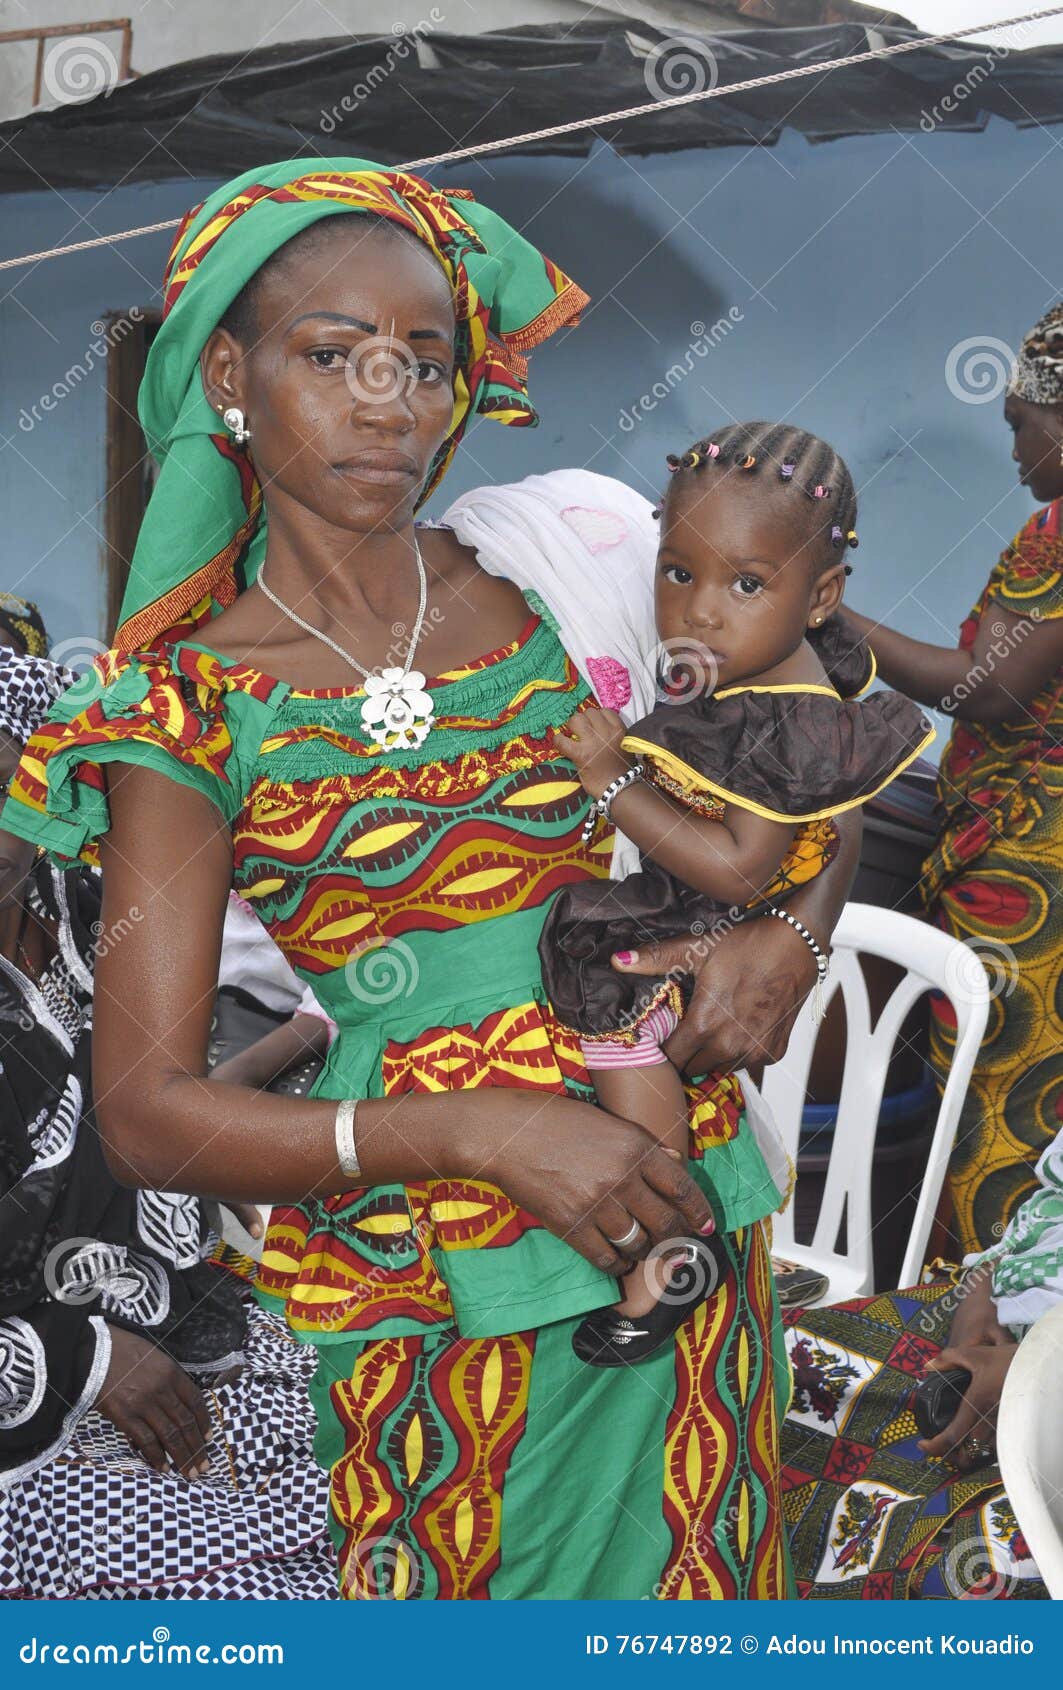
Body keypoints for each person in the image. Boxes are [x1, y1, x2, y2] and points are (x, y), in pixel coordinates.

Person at [3, 157, 861, 1601]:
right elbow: (149, 1112)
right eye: (330, 355)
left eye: (423, 359)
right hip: (433, 1266)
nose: (389, 399)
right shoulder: (181, 713)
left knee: (704, 1579)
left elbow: (812, 715)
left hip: (675, 1178)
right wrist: (481, 1131)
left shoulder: (563, 560)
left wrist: (787, 923)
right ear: (228, 371)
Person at [538, 423, 933, 1366]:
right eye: (677, 573)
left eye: (745, 584)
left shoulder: (782, 723)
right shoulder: (765, 679)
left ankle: (671, 1237)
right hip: (714, 908)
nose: (699, 611)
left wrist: (609, 782)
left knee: (614, 1014)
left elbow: (738, 868)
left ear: (823, 595)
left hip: (706, 916)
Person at [0, 646, 336, 1599]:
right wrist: (89, 1359)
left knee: (397, 1475)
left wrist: (304, 1038)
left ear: (36, 775)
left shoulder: (90, 913)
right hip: (42, 1419)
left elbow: (145, 1119)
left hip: (187, 1325)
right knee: (274, 1602)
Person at [834, 302, 1063, 1255]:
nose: (1012, 448)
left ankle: (981, 1349)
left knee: (1000, 1120)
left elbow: (994, 693)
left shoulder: (1056, 531)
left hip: (1029, 883)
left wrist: (828, 613)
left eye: (1021, 423)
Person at [779, 1120, 1063, 1599]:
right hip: (1007, 1319)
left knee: (982, 1571)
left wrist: (1038, 1373)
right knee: (774, 1370)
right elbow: (1050, 1204)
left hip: (1042, 1372)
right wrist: (982, 1290)